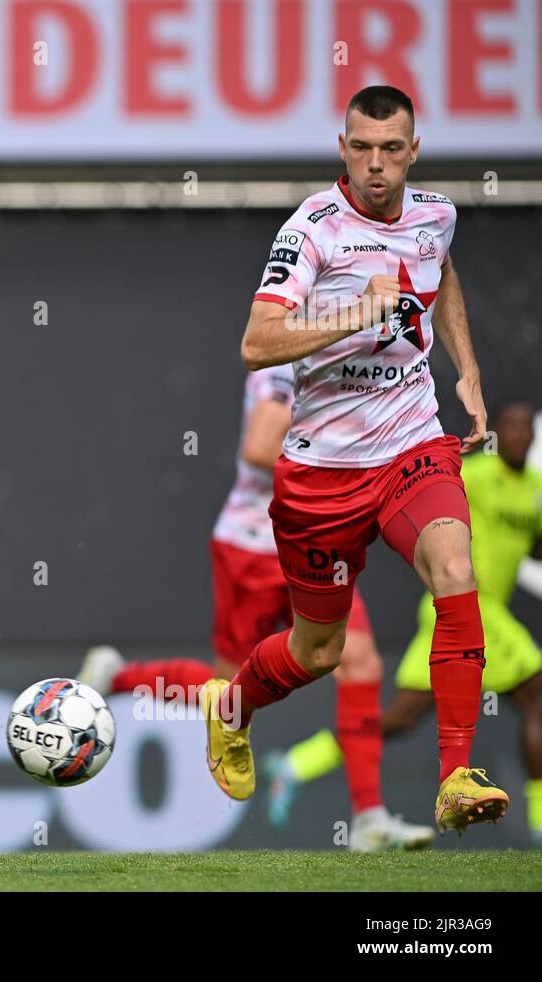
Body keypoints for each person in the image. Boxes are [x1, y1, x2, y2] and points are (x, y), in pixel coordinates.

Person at [203, 83, 508, 835]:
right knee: (320, 648)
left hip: (411, 444)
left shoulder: (437, 214)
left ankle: (454, 776)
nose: (376, 164)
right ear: (343, 149)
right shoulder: (313, 229)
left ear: (414, 152)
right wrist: (355, 311)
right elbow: (255, 344)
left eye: (391, 149)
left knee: (455, 569)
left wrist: (465, 369)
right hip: (321, 472)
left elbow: (442, 277)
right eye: (362, 148)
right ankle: (232, 706)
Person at [80, 364, 431, 849]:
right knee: (227, 692)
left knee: (360, 663)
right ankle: (119, 677)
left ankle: (368, 819)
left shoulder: (355, 355)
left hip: (316, 542)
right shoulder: (288, 364)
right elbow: (261, 447)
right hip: (254, 544)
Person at [266, 399, 542, 846]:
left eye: (524, 428)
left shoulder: (534, 489)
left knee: (401, 718)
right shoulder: (475, 475)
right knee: (537, 700)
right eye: (508, 427)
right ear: (498, 435)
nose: (516, 435)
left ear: (533, 436)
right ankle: (539, 821)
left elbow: (535, 547)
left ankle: (299, 762)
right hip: (469, 605)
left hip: (466, 615)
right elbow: (426, 500)